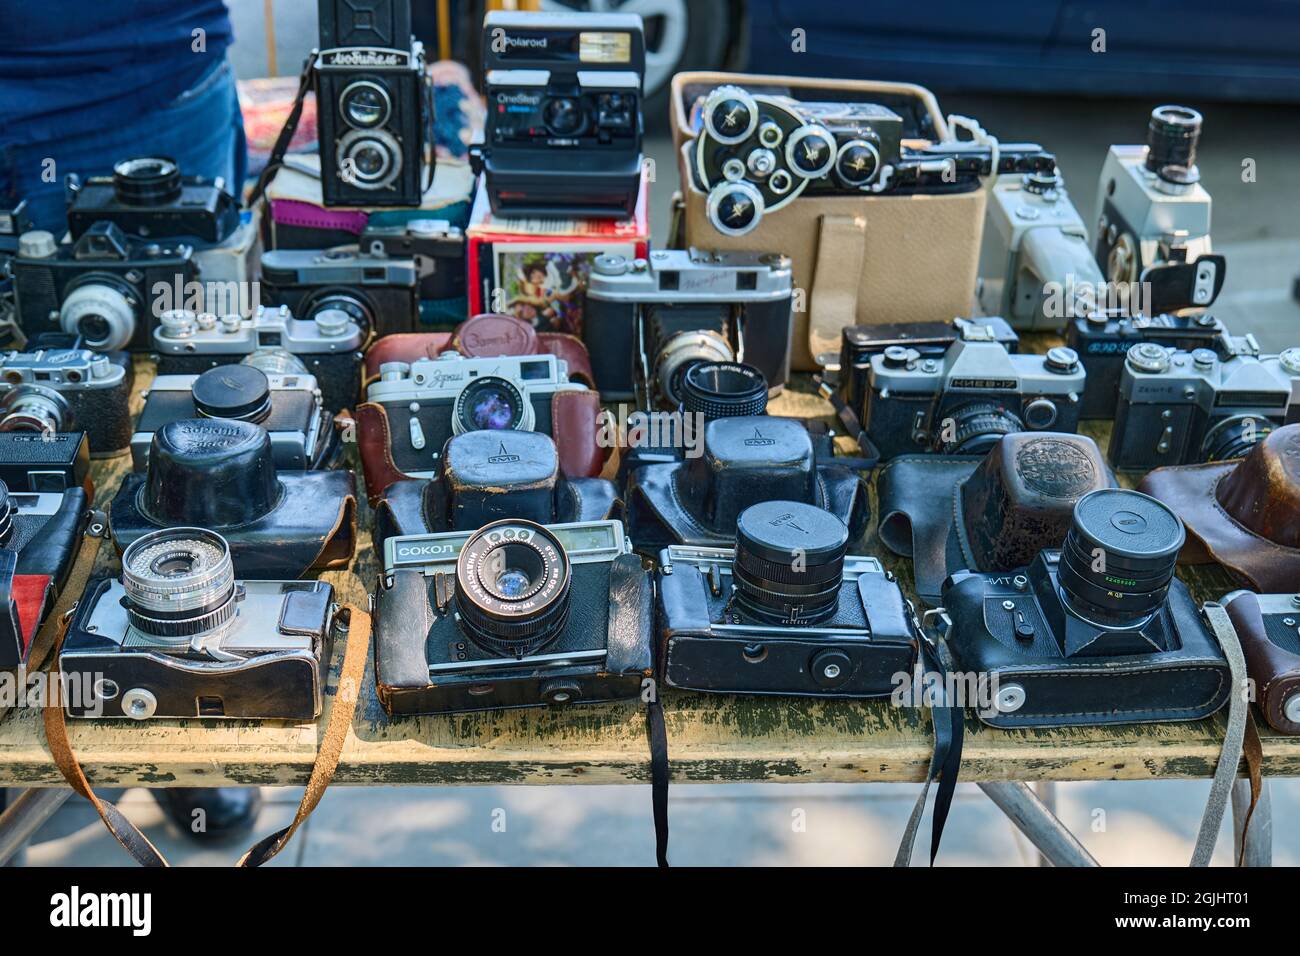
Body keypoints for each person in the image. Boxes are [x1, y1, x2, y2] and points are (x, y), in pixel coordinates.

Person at [0, 1, 260, 842]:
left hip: (141, 80)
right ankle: (38, 706)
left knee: (195, 445)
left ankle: (193, 743)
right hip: (136, 70)